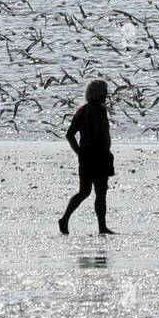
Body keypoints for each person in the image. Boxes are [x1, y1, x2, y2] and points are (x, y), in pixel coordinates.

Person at [60, 79, 116, 234]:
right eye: (104, 92)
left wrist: (79, 152)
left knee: (83, 192)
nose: (106, 95)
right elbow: (101, 133)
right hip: (99, 154)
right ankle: (102, 227)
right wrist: (106, 151)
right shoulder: (100, 110)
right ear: (98, 94)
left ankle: (65, 218)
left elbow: (70, 134)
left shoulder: (82, 110)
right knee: (101, 192)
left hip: (85, 155)